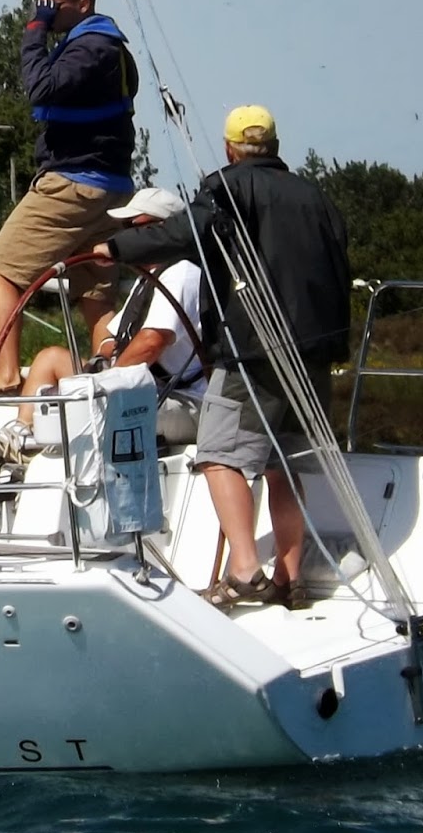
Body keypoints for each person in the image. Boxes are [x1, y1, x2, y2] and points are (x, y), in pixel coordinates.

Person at [97, 105, 350, 610]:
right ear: (275, 147)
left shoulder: (231, 187)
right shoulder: (317, 198)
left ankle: (243, 569)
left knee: (217, 456)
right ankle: (290, 578)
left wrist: (116, 246)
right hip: (316, 353)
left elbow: (186, 231)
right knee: (282, 465)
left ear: (232, 148)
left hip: (256, 350)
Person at [0, 0, 139, 395]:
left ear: (83, 3)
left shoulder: (92, 49)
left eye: (54, 5)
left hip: (74, 183)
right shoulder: (111, 49)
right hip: (111, 187)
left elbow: (41, 88)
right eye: (40, 3)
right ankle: (112, 382)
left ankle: (7, 381)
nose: (45, 12)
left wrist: (33, 31)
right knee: (95, 295)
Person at [1, 187, 205, 453]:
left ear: (163, 230)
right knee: (51, 359)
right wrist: (98, 366)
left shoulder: (181, 273)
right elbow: (115, 338)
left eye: (135, 225)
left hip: (182, 401)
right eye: (124, 227)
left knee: (91, 402)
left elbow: (151, 342)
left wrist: (104, 381)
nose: (126, 234)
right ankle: (18, 437)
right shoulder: (147, 279)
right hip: (145, 389)